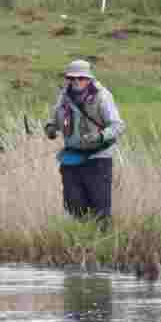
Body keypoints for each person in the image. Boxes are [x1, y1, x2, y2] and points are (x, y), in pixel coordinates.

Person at [43, 59, 124, 224]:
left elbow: (118, 126)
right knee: (73, 207)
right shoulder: (63, 96)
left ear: (89, 79)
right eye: (72, 78)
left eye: (81, 78)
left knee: (100, 211)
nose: (76, 81)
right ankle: (80, 236)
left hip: (98, 159)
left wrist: (100, 136)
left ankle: (101, 238)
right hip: (71, 158)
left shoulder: (102, 96)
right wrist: (50, 128)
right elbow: (54, 120)